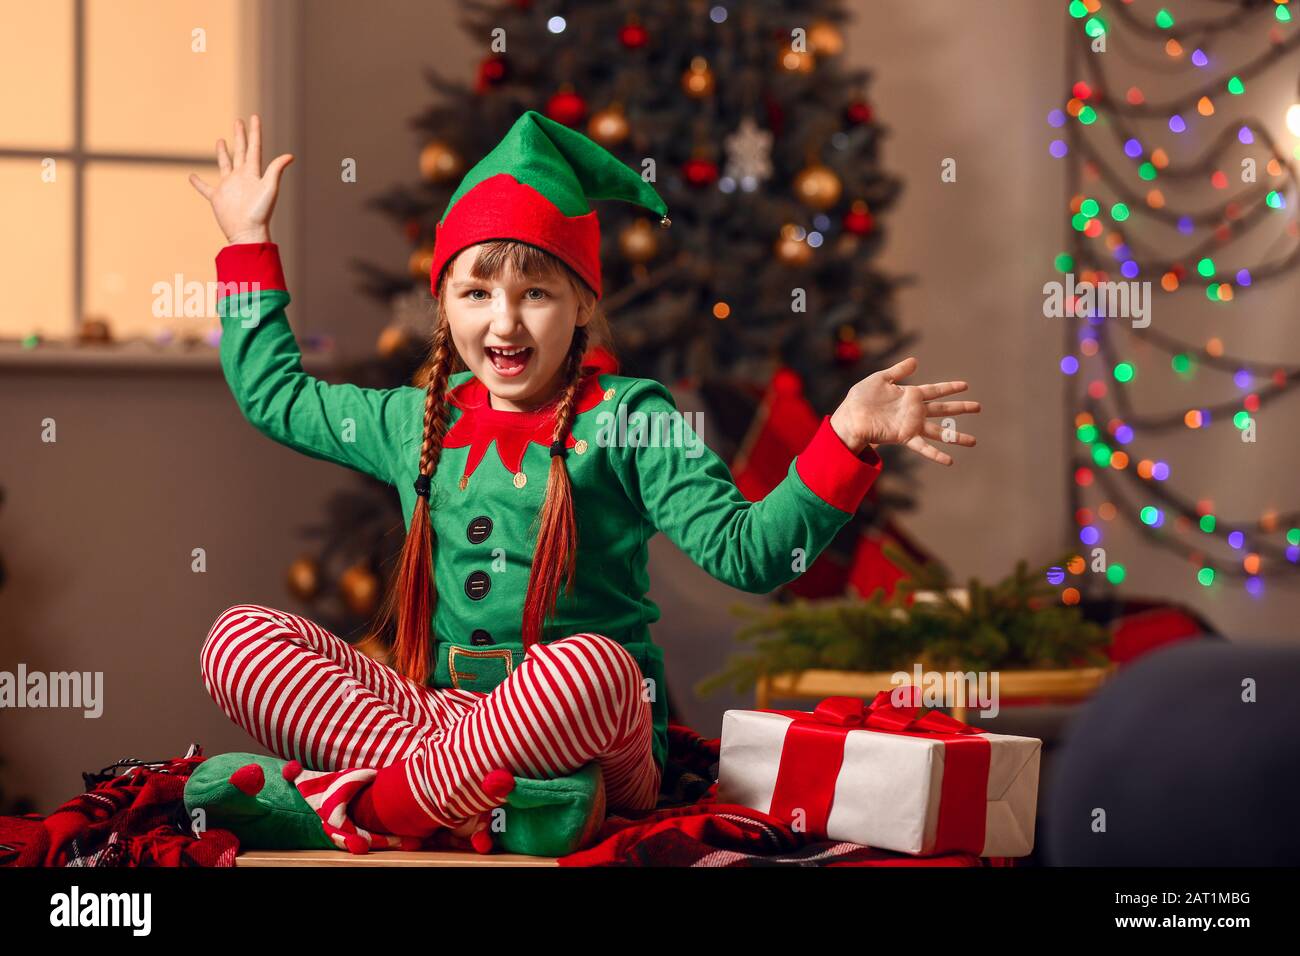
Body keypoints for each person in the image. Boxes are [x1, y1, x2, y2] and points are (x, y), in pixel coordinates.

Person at [189, 110, 980, 852]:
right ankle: (499, 807)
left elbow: (752, 555)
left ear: (581, 302)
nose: (504, 323)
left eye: (535, 292)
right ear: (444, 305)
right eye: (476, 293)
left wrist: (843, 437)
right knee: (241, 640)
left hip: (593, 730)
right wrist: (248, 240)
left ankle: (367, 811)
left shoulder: (629, 418)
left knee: (598, 665)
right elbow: (277, 397)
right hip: (439, 716)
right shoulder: (411, 419)